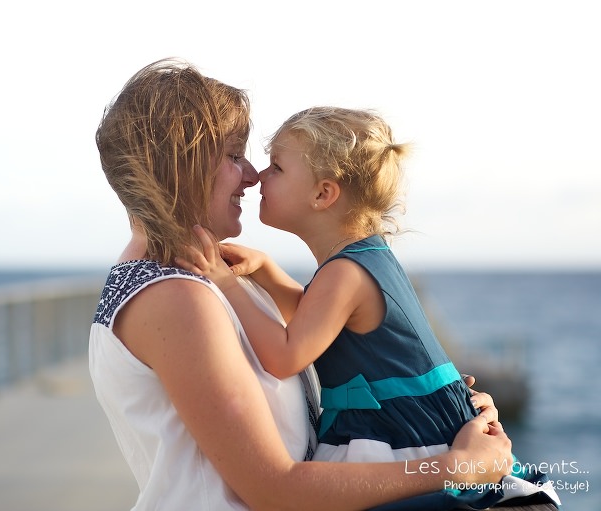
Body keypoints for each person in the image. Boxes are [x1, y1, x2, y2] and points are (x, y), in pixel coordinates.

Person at [89, 59, 513, 511]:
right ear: (181, 166)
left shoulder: (196, 279)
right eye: (234, 156)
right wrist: (452, 466)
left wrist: (435, 407)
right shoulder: (176, 297)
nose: (252, 175)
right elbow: (276, 489)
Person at [177, 106, 560, 509]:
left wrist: (224, 283)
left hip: (412, 444)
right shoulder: (366, 259)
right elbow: (319, 321)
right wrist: (269, 271)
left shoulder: (343, 274)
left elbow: (286, 355)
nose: (258, 176)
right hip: (426, 432)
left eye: (276, 167)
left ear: (323, 194)